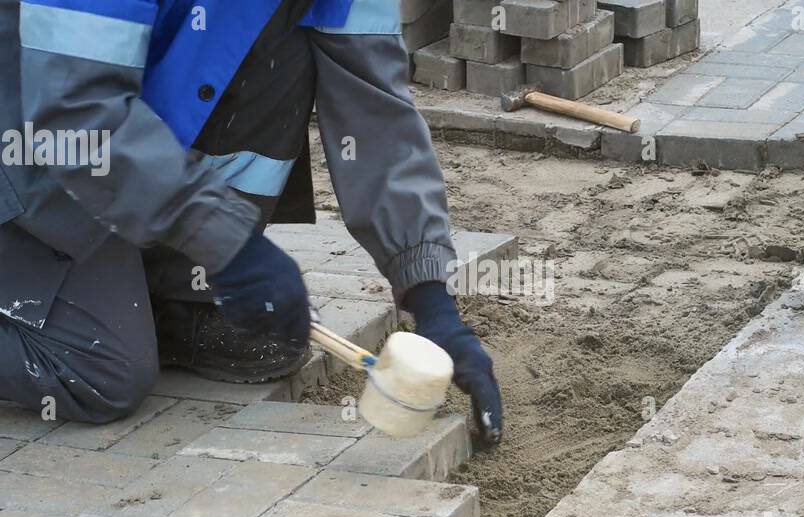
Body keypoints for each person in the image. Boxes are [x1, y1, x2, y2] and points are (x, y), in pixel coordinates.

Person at [0, 0, 503, 445]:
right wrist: (227, 242)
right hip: (27, 120)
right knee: (101, 371)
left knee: (279, 50)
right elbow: (78, 113)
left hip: (82, 125)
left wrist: (430, 298)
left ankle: (172, 290)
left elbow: (375, 110)